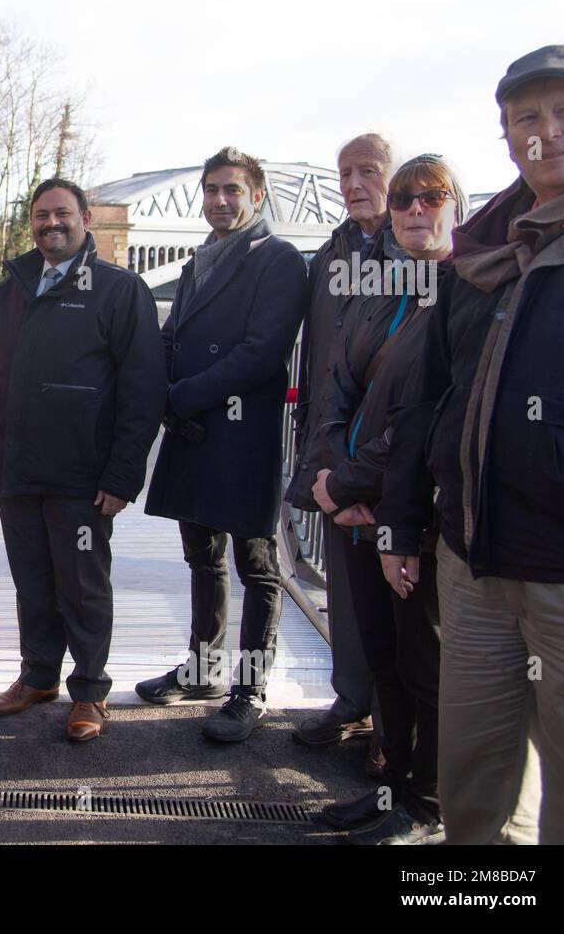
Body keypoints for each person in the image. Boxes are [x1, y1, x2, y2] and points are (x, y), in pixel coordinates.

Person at [375, 44, 564, 845]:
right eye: (526, 118)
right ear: (506, 139)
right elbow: (427, 403)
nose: (548, 131)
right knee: (474, 780)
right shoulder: (478, 261)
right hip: (473, 563)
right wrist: (402, 524)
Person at [0, 177, 164, 741]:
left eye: (62, 215)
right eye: (41, 216)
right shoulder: (11, 291)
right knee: (32, 581)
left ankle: (91, 692)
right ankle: (38, 677)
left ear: (85, 221)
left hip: (83, 476)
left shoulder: (120, 291)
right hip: (17, 468)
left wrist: (124, 474)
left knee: (82, 584)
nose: (51, 224)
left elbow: (143, 391)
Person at [311, 155, 468, 844]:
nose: (412, 209)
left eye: (429, 197)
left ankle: (427, 804)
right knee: (383, 658)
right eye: (402, 198)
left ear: (455, 206)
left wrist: (345, 485)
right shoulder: (378, 290)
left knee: (421, 663)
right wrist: (333, 492)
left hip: (416, 518)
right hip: (358, 514)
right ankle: (391, 787)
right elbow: (333, 390)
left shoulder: (464, 292)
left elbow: (425, 420)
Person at [140, 147, 308, 742]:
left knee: (257, 566)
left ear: (256, 196)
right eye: (211, 190)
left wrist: (182, 396)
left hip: (242, 436)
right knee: (202, 558)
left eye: (232, 190)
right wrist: (160, 389)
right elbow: (171, 335)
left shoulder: (279, 260)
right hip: (193, 431)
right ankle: (205, 670)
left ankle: (251, 689)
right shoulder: (198, 262)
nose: (219, 200)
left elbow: (262, 353)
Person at [286, 134, 393, 759]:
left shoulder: (419, 250)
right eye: (345, 173)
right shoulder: (331, 254)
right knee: (349, 591)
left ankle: (393, 721)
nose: (354, 184)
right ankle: (353, 701)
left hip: (388, 456)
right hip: (333, 452)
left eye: (369, 171)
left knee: (397, 594)